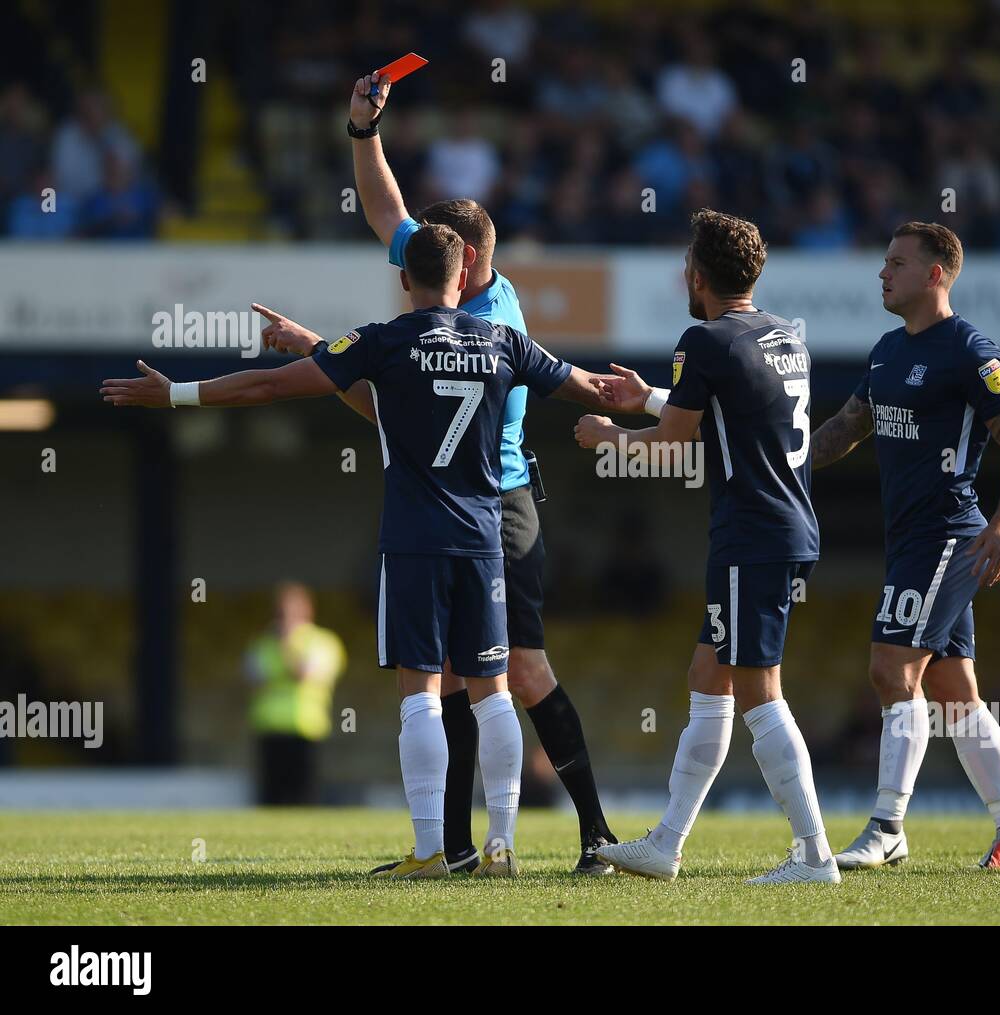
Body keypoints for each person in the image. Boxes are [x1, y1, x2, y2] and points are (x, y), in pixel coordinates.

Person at [101, 222, 616, 879]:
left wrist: (174, 393)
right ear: (465, 278)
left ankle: (432, 849)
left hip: (414, 541)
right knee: (493, 695)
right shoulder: (506, 341)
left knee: (422, 695)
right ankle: (501, 846)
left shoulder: (379, 342)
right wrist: (665, 409)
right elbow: (592, 386)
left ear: (404, 279)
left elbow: (267, 387)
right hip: (487, 544)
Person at [261, 71, 620, 876]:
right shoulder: (462, 282)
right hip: (458, 501)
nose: (416, 248)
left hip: (500, 496)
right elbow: (387, 212)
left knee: (517, 670)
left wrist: (324, 357)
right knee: (457, 677)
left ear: (466, 264)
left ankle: (592, 832)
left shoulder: (489, 324)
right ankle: (457, 848)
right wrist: (364, 131)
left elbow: (396, 405)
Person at [576, 209, 838, 885]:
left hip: (751, 532)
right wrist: (648, 397)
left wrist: (610, 437)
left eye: (686, 265)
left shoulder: (705, 340)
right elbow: (732, 409)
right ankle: (667, 842)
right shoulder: (785, 337)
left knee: (757, 689)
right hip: (782, 524)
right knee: (707, 677)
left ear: (697, 273)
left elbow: (673, 442)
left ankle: (814, 853)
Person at [810, 221, 1000, 869]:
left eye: (897, 263)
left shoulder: (970, 350)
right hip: (910, 539)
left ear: (936, 273)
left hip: (948, 533)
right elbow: (846, 429)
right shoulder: (886, 350)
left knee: (890, 670)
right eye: (884, 262)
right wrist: (786, 458)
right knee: (955, 692)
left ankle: (887, 825)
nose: (882, 273)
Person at [246, 582, 346, 805]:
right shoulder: (263, 644)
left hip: (305, 728)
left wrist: (287, 646)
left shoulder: (321, 642)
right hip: (269, 728)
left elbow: (306, 674)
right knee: (270, 796)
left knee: (302, 796)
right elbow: (253, 679)